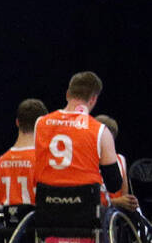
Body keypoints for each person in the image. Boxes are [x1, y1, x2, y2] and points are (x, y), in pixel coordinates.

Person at [34, 71, 124, 206]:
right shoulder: (100, 131)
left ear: (67, 94)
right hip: (85, 207)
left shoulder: (40, 123)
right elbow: (114, 184)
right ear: (93, 99)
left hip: (47, 205)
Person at [0, 99, 48, 212]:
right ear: (41, 124)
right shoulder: (43, 159)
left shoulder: (1, 161)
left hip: (8, 226)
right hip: (35, 225)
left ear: (17, 122)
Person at [94, 115, 138, 210]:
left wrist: (130, 202)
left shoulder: (121, 159)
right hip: (96, 212)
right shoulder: (86, 160)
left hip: (115, 213)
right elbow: (86, 201)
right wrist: (116, 202)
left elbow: (124, 196)